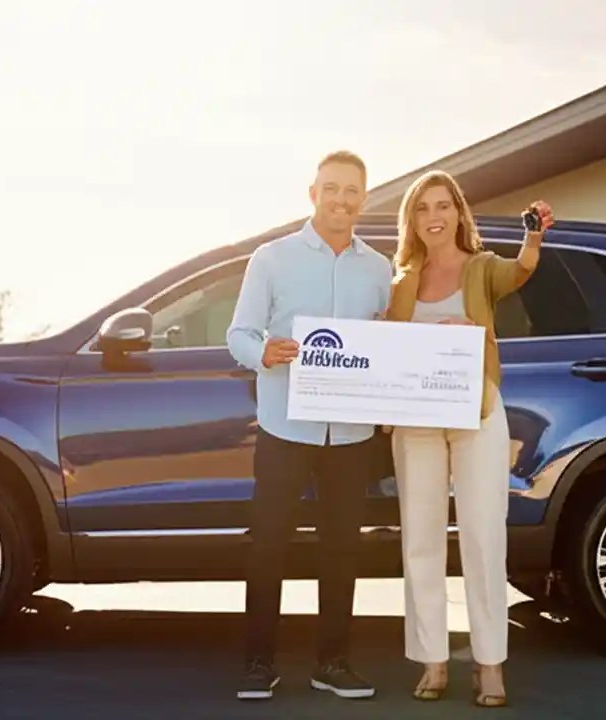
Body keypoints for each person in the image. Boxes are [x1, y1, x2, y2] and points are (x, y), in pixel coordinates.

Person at [226, 150, 392, 701]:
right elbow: (239, 334)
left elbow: (389, 341)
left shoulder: (377, 268)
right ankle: (257, 662)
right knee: (268, 545)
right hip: (284, 428)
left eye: (352, 191)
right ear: (313, 192)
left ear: (364, 199)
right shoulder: (272, 258)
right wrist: (265, 353)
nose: (341, 199)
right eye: (331, 188)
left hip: (351, 435)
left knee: (342, 549)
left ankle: (333, 662)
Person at [384, 169, 552, 708]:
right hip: (416, 420)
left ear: (458, 212)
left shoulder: (482, 269)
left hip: (476, 412)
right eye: (422, 209)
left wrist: (533, 235)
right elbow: (386, 344)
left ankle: (490, 664)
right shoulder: (403, 278)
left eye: (443, 206)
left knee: (483, 536)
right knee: (422, 539)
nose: (434, 217)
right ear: (412, 220)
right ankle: (433, 660)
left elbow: (522, 271)